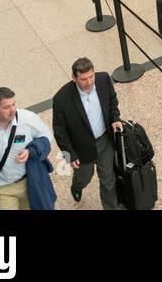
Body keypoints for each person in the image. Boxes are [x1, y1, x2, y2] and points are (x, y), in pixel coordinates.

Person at [51, 57, 123, 209]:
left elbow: (112, 100)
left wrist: (115, 118)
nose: (89, 82)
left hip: (104, 140)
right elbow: (59, 130)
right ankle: (77, 187)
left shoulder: (103, 79)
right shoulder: (61, 99)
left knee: (108, 179)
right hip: (81, 148)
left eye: (91, 76)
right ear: (74, 78)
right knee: (84, 177)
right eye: (83, 79)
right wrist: (69, 153)